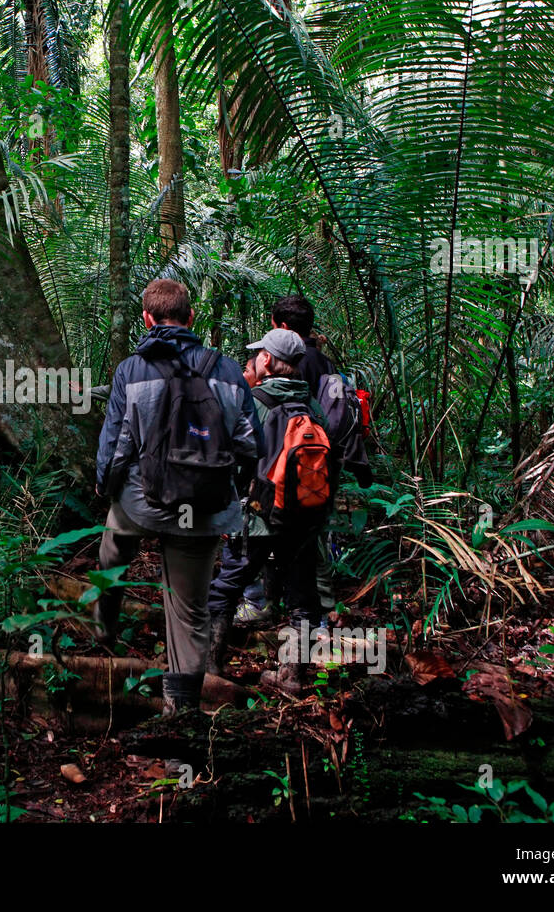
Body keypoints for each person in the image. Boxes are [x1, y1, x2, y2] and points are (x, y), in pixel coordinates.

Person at [94, 278, 260, 714]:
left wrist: (105, 486)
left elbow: (118, 445)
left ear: (147, 319)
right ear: (191, 317)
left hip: (142, 502)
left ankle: (103, 628)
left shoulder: (131, 370)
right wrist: (229, 488)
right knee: (190, 612)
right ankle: (180, 711)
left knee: (113, 548)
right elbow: (250, 446)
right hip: (203, 507)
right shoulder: (229, 371)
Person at [207, 328, 327, 693]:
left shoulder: (254, 402)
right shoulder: (313, 406)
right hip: (303, 518)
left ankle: (210, 668)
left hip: (257, 517)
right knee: (303, 597)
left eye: (261, 352)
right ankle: (293, 676)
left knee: (227, 587)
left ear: (269, 360)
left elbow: (231, 460)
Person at [270, 296, 373, 616]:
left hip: (300, 463)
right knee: (316, 532)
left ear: (284, 328)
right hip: (327, 460)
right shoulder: (326, 363)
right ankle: (314, 603)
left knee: (299, 536)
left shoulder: (294, 364)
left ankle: (311, 607)